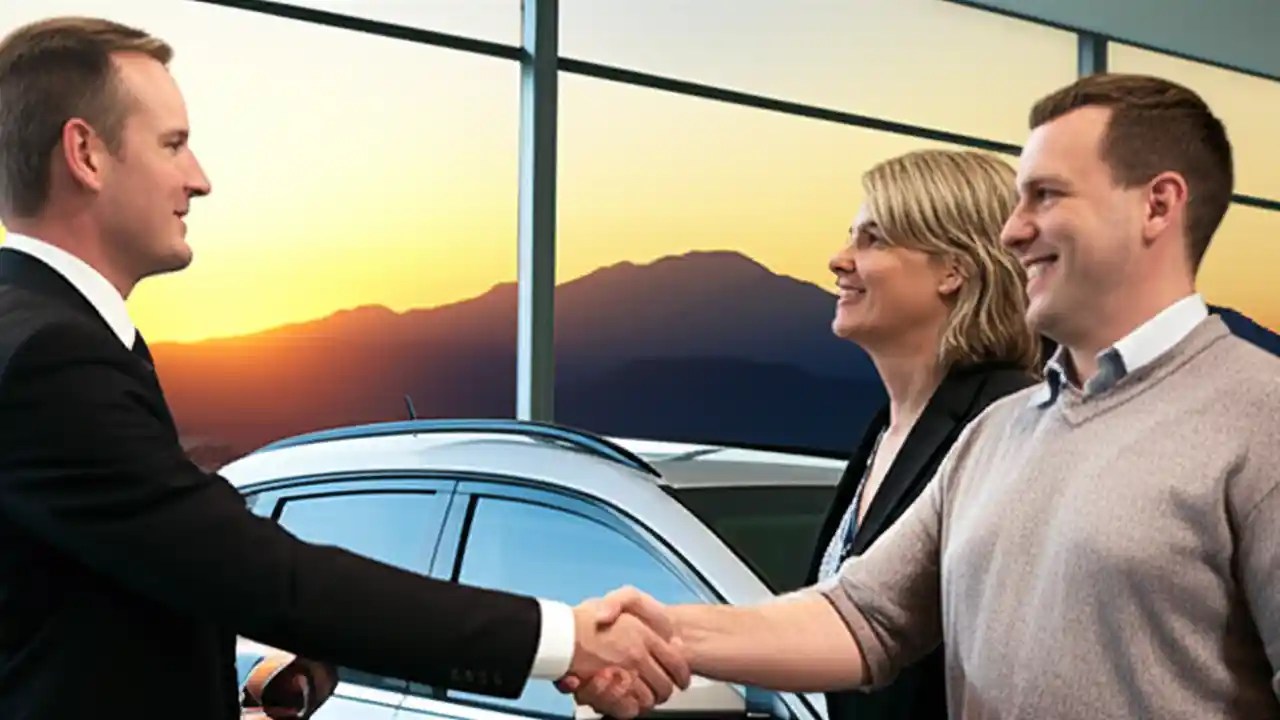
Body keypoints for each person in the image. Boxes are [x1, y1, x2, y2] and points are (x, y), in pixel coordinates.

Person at [0, 16, 688, 719]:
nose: (198, 179)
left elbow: (106, 593)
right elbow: (260, 576)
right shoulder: (50, 361)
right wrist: (565, 639)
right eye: (173, 145)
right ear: (85, 153)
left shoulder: (38, 336)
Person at [562, 73, 1280, 719]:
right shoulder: (997, 434)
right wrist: (661, 630)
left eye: (1047, 195)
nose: (1012, 230)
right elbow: (861, 618)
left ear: (1157, 205)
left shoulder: (1260, 414)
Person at [807, 149, 1039, 720]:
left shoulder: (1012, 419)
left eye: (873, 239)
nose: (839, 260)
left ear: (954, 269)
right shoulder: (885, 430)